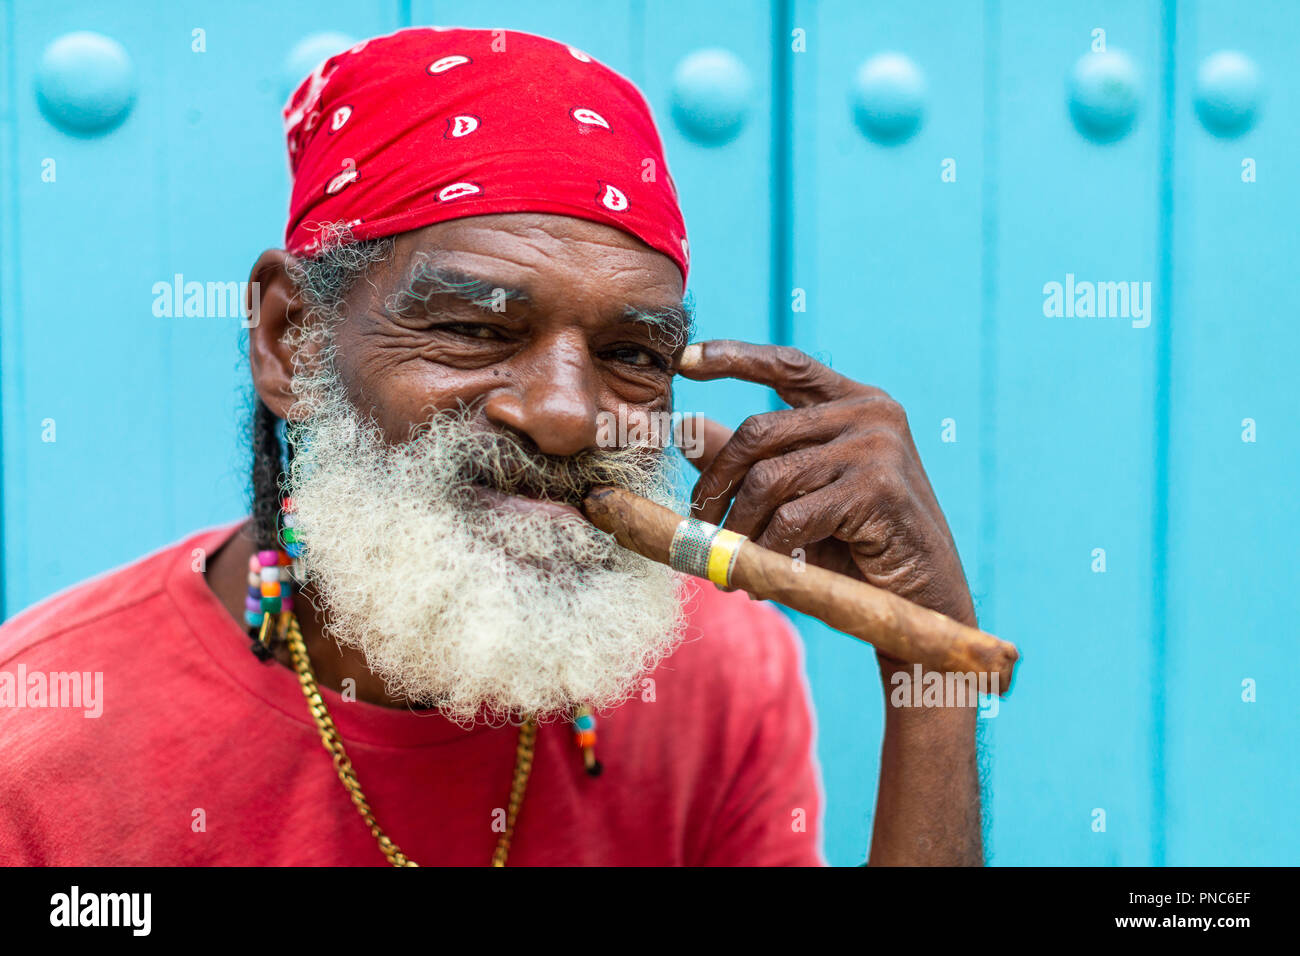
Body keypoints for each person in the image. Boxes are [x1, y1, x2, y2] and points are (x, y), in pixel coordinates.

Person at [0, 26, 980, 866]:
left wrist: (930, 676)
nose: (564, 414)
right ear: (291, 339)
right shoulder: (38, 744)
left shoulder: (719, 672)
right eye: (473, 329)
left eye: (631, 352)